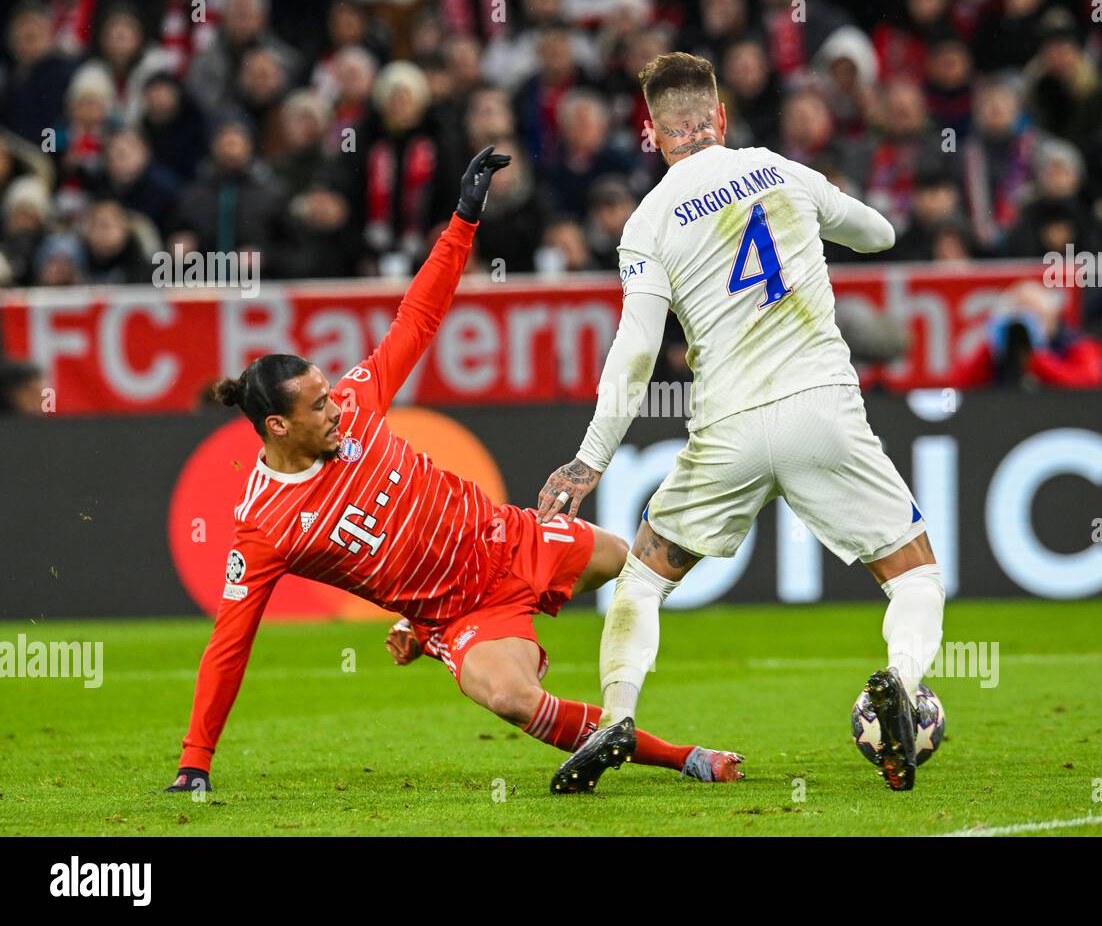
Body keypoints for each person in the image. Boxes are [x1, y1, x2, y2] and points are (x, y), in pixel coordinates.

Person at [164, 147, 742, 796]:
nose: (336, 407)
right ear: (278, 427)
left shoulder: (356, 404)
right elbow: (229, 643)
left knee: (635, 565)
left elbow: (419, 315)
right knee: (507, 696)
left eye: (330, 392)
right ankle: (680, 755)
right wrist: (195, 761)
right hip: (463, 615)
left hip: (511, 541)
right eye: (318, 404)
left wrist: (463, 219)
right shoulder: (265, 526)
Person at [536, 53, 945, 794]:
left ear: (654, 136)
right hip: (822, 409)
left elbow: (633, 356)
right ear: (719, 119)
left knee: (640, 582)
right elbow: (881, 234)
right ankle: (900, 683)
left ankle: (616, 717)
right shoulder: (780, 169)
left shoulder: (647, 222)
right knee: (915, 576)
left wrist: (588, 463)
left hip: (727, 428)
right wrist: (818, 217)